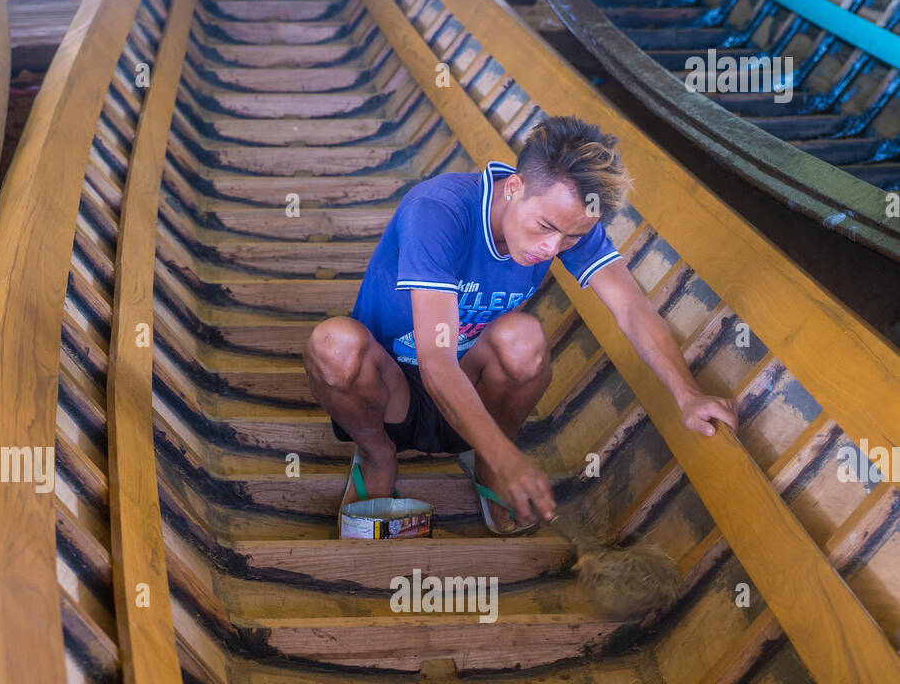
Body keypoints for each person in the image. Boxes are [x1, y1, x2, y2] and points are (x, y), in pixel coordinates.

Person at [304, 113, 738, 534]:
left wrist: (687, 395)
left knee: (524, 337)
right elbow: (435, 358)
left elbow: (631, 309)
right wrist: (512, 455)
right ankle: (378, 456)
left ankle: (488, 465)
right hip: (387, 389)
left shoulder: (571, 218)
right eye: (545, 227)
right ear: (514, 187)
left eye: (570, 238)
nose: (552, 248)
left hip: (469, 387)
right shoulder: (440, 210)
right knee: (333, 344)